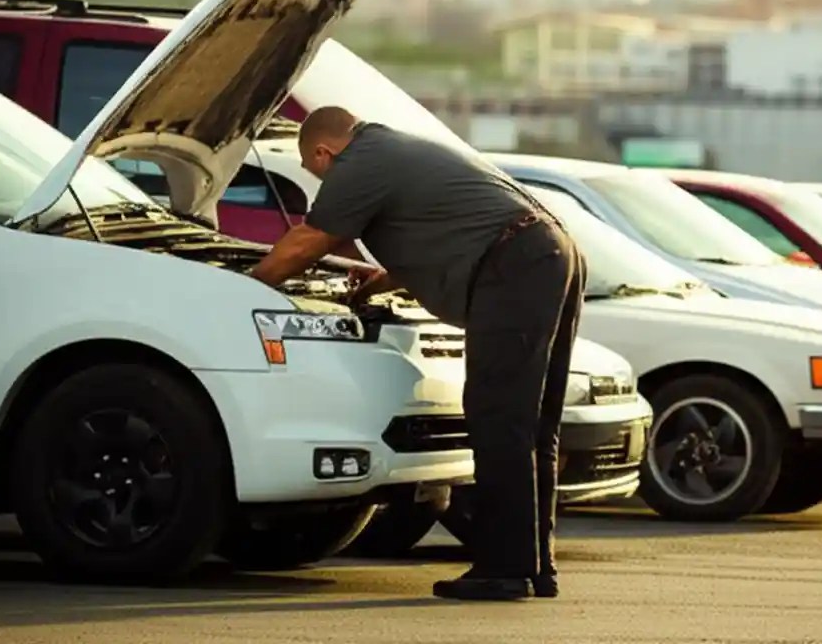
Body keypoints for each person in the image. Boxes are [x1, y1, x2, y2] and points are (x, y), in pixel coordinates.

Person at [248, 106, 586, 601]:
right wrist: (384, 280)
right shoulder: (396, 149)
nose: (318, 179)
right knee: (532, 426)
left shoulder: (360, 161)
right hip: (550, 253)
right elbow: (449, 228)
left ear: (323, 152)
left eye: (313, 169)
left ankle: (504, 568)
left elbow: (308, 242)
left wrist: (248, 288)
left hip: (517, 264)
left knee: (498, 419)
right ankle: (535, 566)